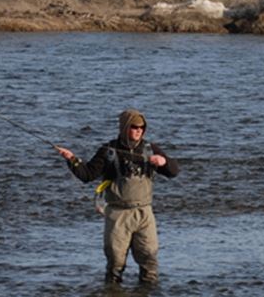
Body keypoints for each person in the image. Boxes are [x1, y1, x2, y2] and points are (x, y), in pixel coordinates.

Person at [56, 108, 180, 284]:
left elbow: (174, 171)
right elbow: (87, 175)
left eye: (142, 127)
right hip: (117, 214)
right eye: (135, 127)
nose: (139, 130)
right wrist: (72, 160)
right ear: (124, 127)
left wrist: (164, 162)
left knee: (149, 258)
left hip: (144, 214)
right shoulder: (108, 150)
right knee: (115, 260)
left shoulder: (150, 149)